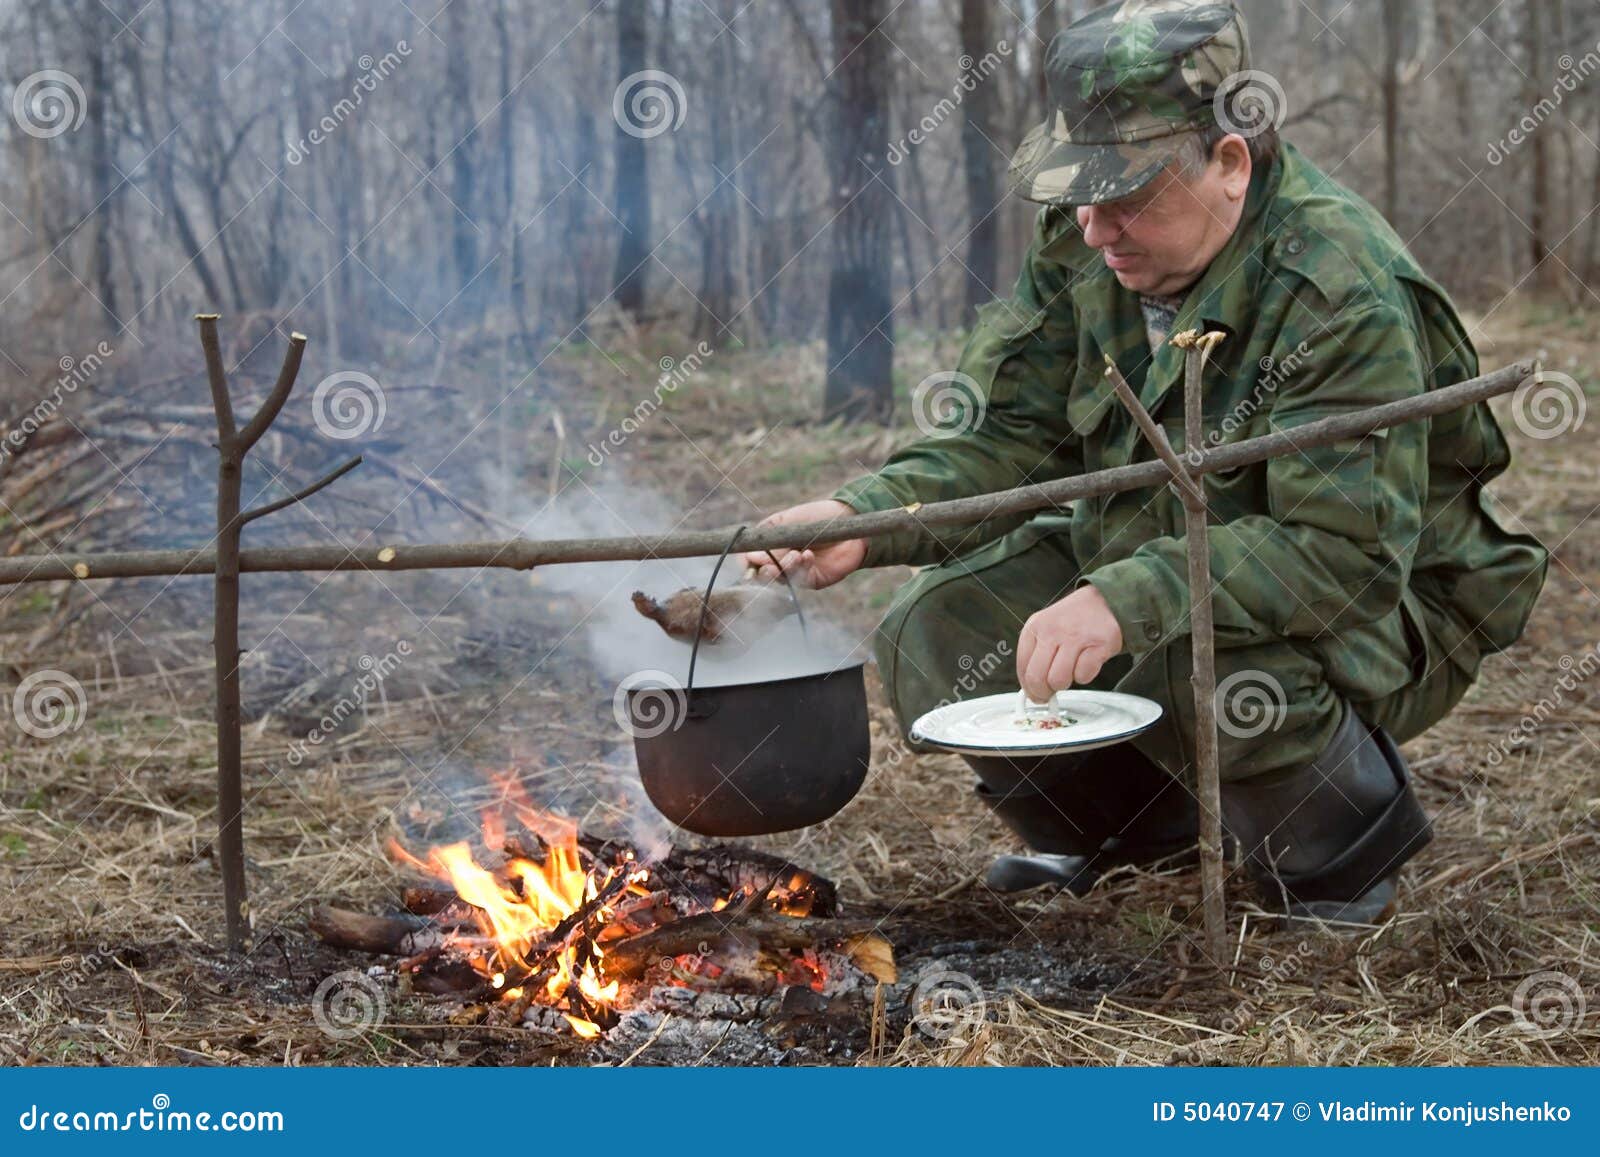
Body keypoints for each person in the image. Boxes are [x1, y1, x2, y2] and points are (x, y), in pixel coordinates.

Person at [743, 0, 1547, 923]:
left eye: (1128, 192)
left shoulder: (1338, 289)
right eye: (1079, 191)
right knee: (940, 623)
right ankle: (1130, 833)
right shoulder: (1092, 246)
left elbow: (1344, 557)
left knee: (1177, 643)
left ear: (1231, 162)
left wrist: (1130, 596)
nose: (1094, 228)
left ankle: (1338, 853)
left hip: (1395, 606)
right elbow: (1013, 438)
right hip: (1159, 540)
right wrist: (865, 517)